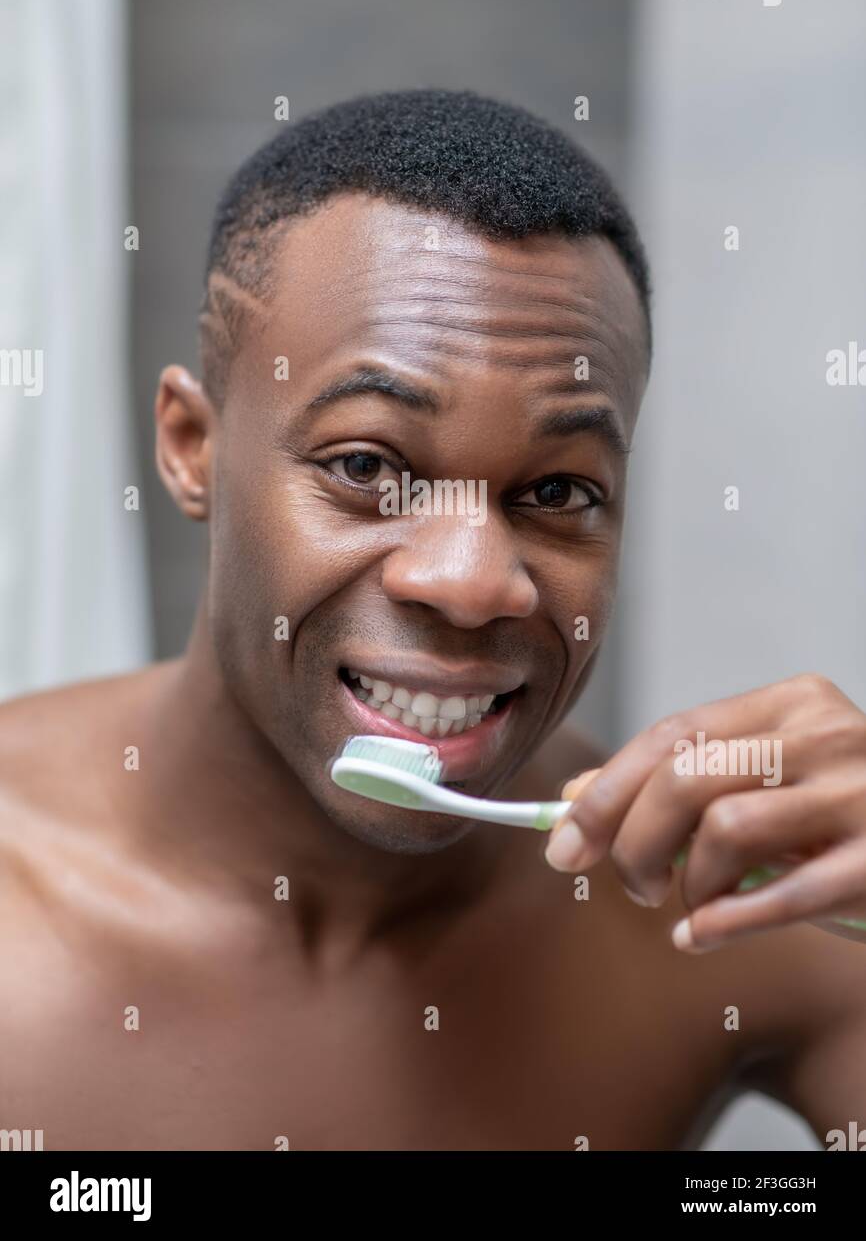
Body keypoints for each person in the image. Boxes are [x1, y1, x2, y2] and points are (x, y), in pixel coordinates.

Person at [1, 90, 864, 1151]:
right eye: (365, 467)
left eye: (556, 493)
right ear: (191, 446)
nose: (471, 582)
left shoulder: (733, 913)